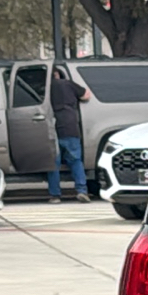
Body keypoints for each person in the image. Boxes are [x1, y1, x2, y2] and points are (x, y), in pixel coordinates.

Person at [47, 66, 91, 203]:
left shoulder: (44, 89)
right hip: (70, 126)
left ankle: (55, 195)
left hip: (51, 128)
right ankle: (81, 190)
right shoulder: (67, 84)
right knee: (75, 160)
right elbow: (86, 95)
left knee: (53, 164)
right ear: (57, 74)